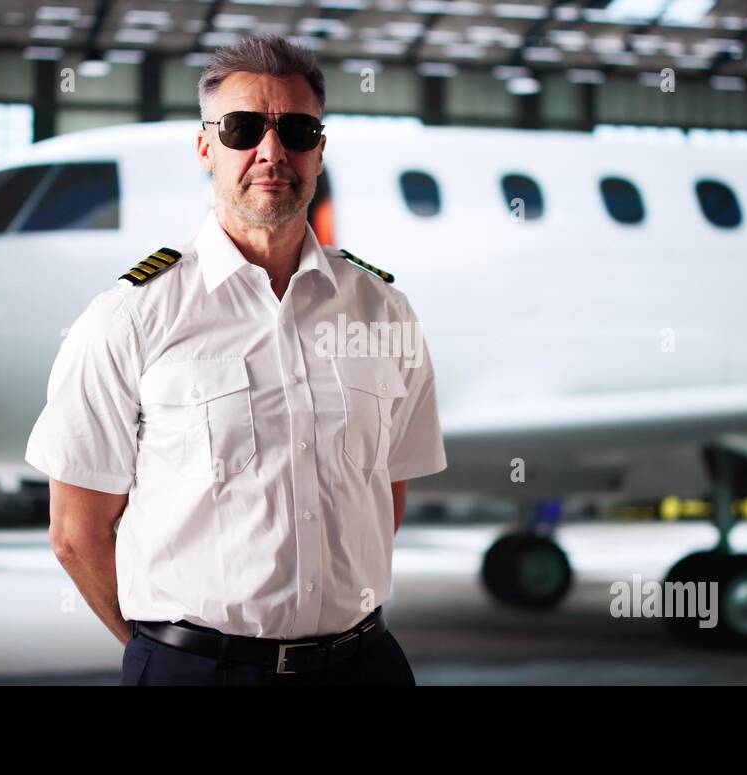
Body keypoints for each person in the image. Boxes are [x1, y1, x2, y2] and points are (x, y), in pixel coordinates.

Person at [24, 34, 447, 685]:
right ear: (205, 147)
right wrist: (164, 652)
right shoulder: (132, 315)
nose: (271, 151)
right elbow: (76, 531)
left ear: (319, 149)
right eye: (243, 128)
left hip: (364, 667)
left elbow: (385, 494)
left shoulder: (383, 310)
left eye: (297, 130)